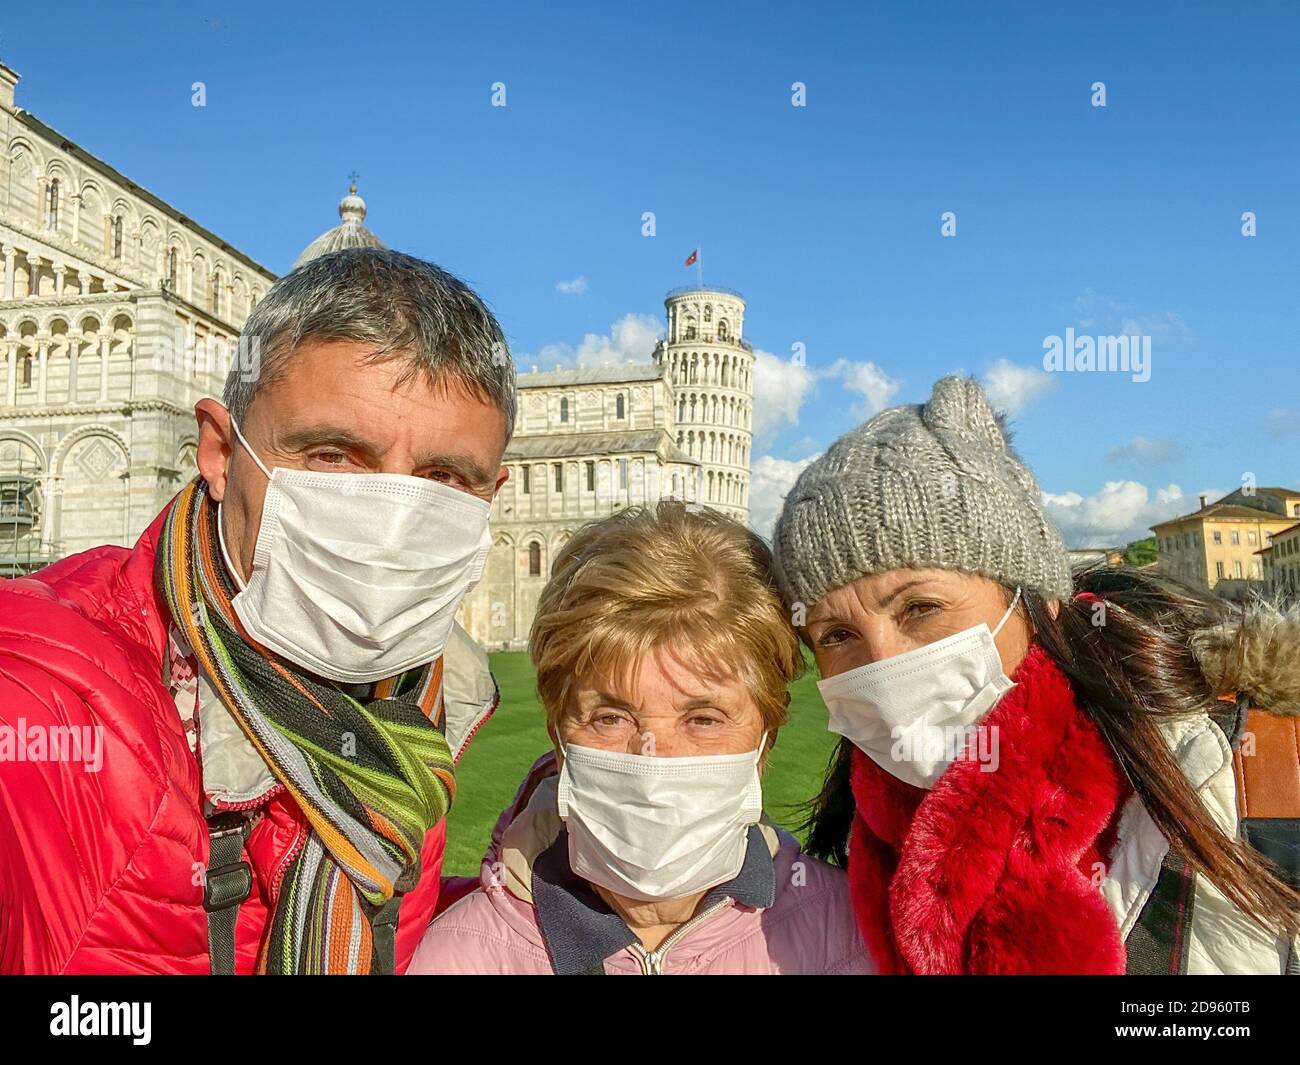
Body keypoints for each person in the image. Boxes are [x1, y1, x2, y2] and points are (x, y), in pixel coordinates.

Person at [0, 248, 513, 974]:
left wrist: (538, 902)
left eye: (442, 477)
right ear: (217, 451)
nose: (390, 524)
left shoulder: (416, 711)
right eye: (333, 455)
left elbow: (389, 920)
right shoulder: (46, 701)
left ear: (490, 494)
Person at [771, 375, 1300, 974]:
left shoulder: (1247, 768)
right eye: (838, 636)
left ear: (1036, 602)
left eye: (921, 608)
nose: (885, 662)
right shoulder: (854, 857)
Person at [409, 501, 871, 974]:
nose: (655, 757)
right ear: (559, 737)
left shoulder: (853, 938)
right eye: (611, 717)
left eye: (704, 718)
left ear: (764, 738)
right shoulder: (459, 955)